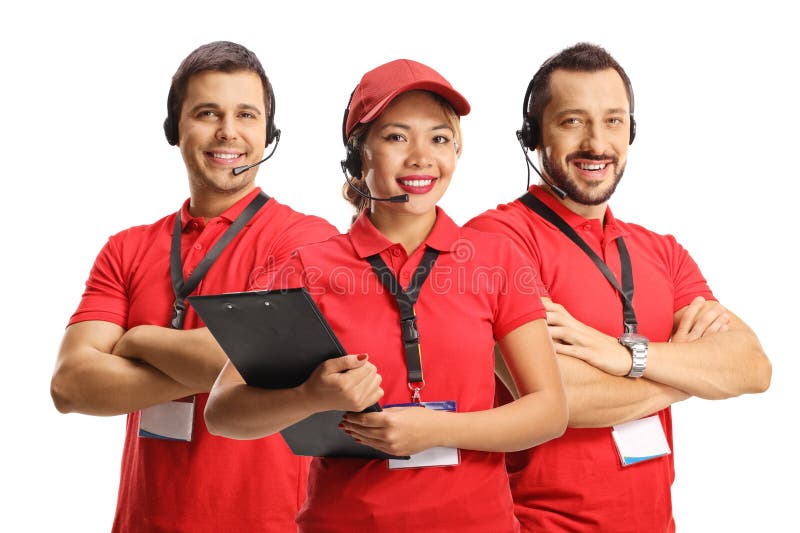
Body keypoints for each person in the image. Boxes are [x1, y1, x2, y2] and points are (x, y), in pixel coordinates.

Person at [205, 58, 568, 532]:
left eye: (439, 138)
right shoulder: (306, 269)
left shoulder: (496, 261)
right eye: (397, 137)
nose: (421, 157)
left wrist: (434, 430)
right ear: (359, 157)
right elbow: (223, 412)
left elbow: (548, 411)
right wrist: (309, 395)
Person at [466, 42, 772, 532]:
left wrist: (624, 355)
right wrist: (690, 376)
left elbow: (752, 367)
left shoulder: (661, 251)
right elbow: (557, 394)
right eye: (572, 121)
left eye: (613, 120)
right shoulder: (494, 242)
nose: (597, 142)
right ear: (531, 135)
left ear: (632, 130)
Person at [50, 41, 338, 533]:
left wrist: (138, 340)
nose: (229, 132)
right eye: (208, 112)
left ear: (269, 132)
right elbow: (70, 386)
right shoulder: (127, 248)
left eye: (246, 114)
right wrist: (233, 366)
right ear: (174, 129)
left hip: (269, 524)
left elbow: (272, 364)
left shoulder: (306, 241)